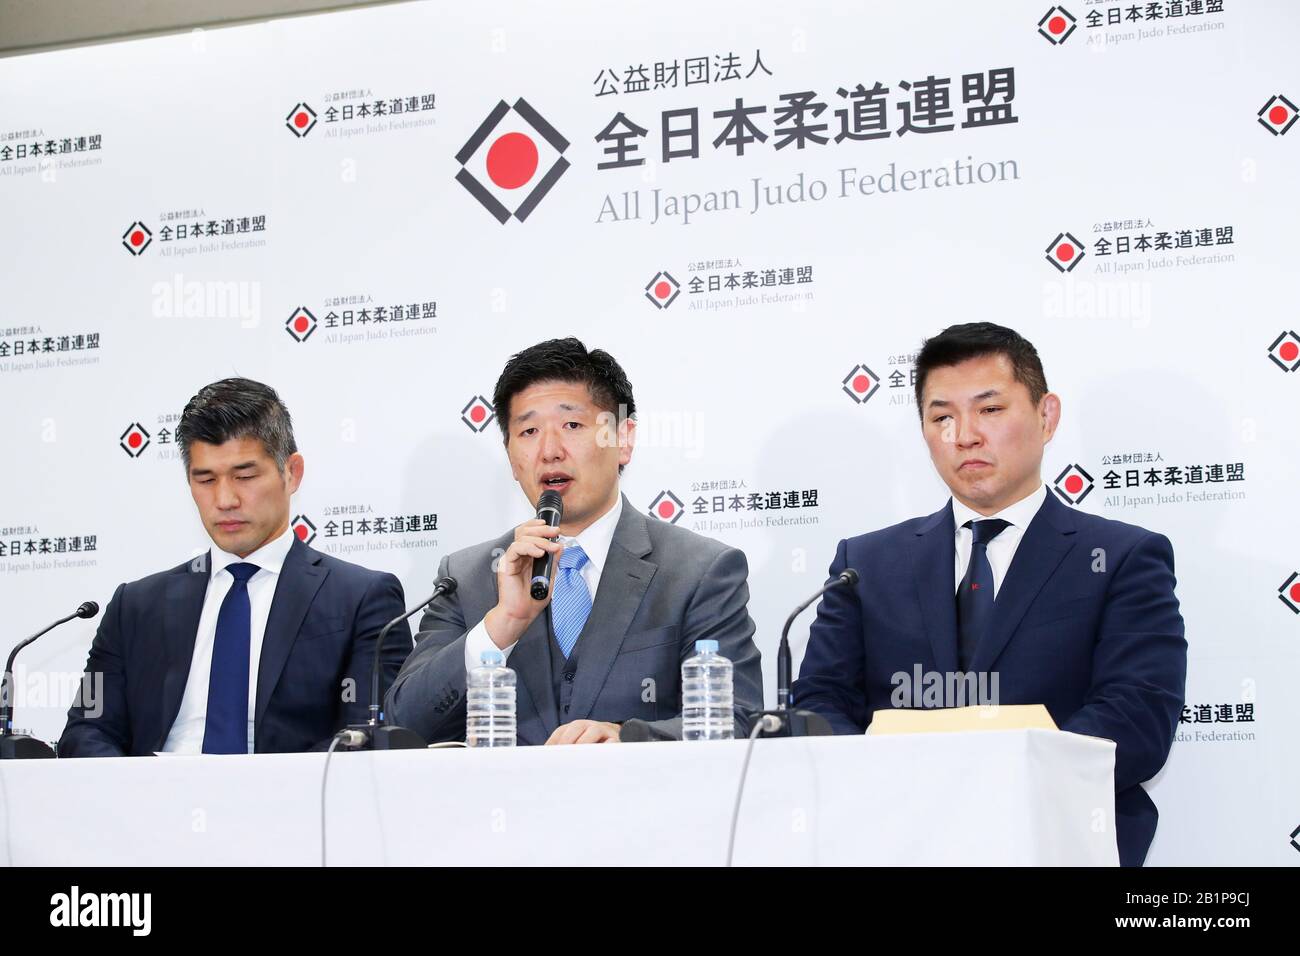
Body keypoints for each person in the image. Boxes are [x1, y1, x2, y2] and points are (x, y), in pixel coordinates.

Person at [793, 323, 1186, 866]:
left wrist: (992, 783)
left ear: (1047, 416)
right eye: (941, 417)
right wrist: (883, 786)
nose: (965, 435)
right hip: (891, 839)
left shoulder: (1122, 557)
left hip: (1058, 838)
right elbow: (820, 702)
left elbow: (1138, 715)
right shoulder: (864, 565)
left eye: (991, 410)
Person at [387, 338, 762, 744]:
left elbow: (738, 719)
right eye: (528, 431)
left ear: (623, 439)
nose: (549, 451)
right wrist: (503, 624)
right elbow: (404, 726)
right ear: (512, 458)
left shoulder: (699, 570)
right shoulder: (466, 577)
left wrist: (625, 739)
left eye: (572, 425)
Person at [59, 378, 411, 756]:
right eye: (205, 479)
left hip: (289, 807)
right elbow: (86, 732)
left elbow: (366, 738)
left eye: (244, 477)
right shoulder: (135, 606)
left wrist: (255, 796)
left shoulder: (361, 599)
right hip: (152, 803)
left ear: (292, 473)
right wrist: (142, 797)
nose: (224, 499)